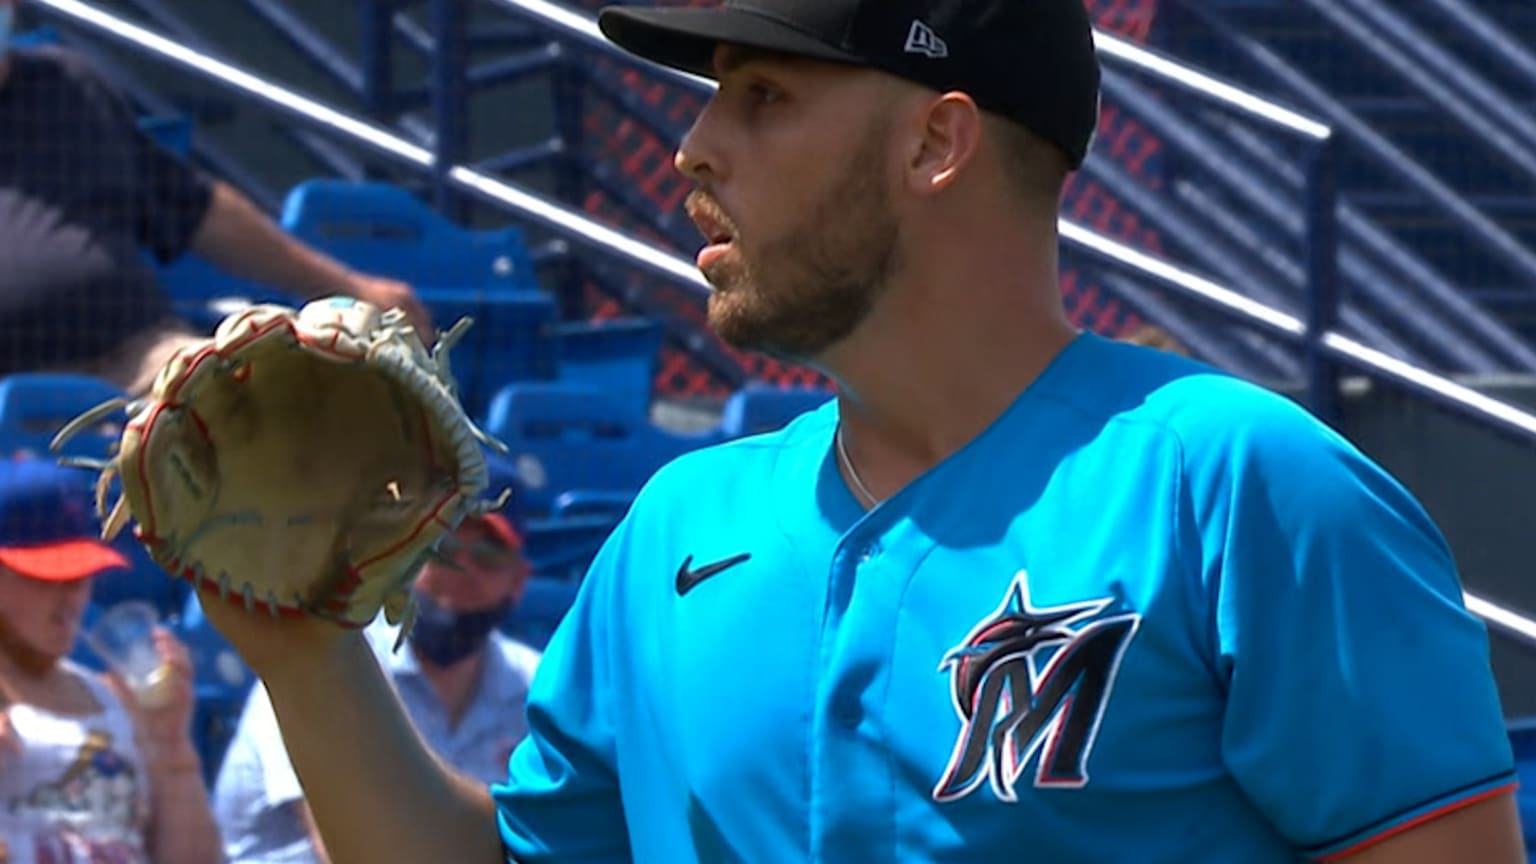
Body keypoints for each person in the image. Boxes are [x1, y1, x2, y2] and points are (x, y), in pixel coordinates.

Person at [191, 1, 1526, 862]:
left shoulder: (1238, 486)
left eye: (764, 96)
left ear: (938, 144)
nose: (695, 148)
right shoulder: (676, 528)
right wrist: (310, 662)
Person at [0, 0, 431, 395]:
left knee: (261, 400)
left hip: (139, 360)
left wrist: (351, 288)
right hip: (11, 394)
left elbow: (200, 212)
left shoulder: (69, 89)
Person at [210, 511, 540, 864]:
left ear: (518, 581)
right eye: (442, 547)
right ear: (400, 555)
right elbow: (354, 852)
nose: (461, 568)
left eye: (487, 557)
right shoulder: (322, 655)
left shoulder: (538, 686)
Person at [0, 458, 221, 864]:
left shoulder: (120, 702)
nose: (70, 598)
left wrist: (172, 753)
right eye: (45, 578)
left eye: (80, 575)